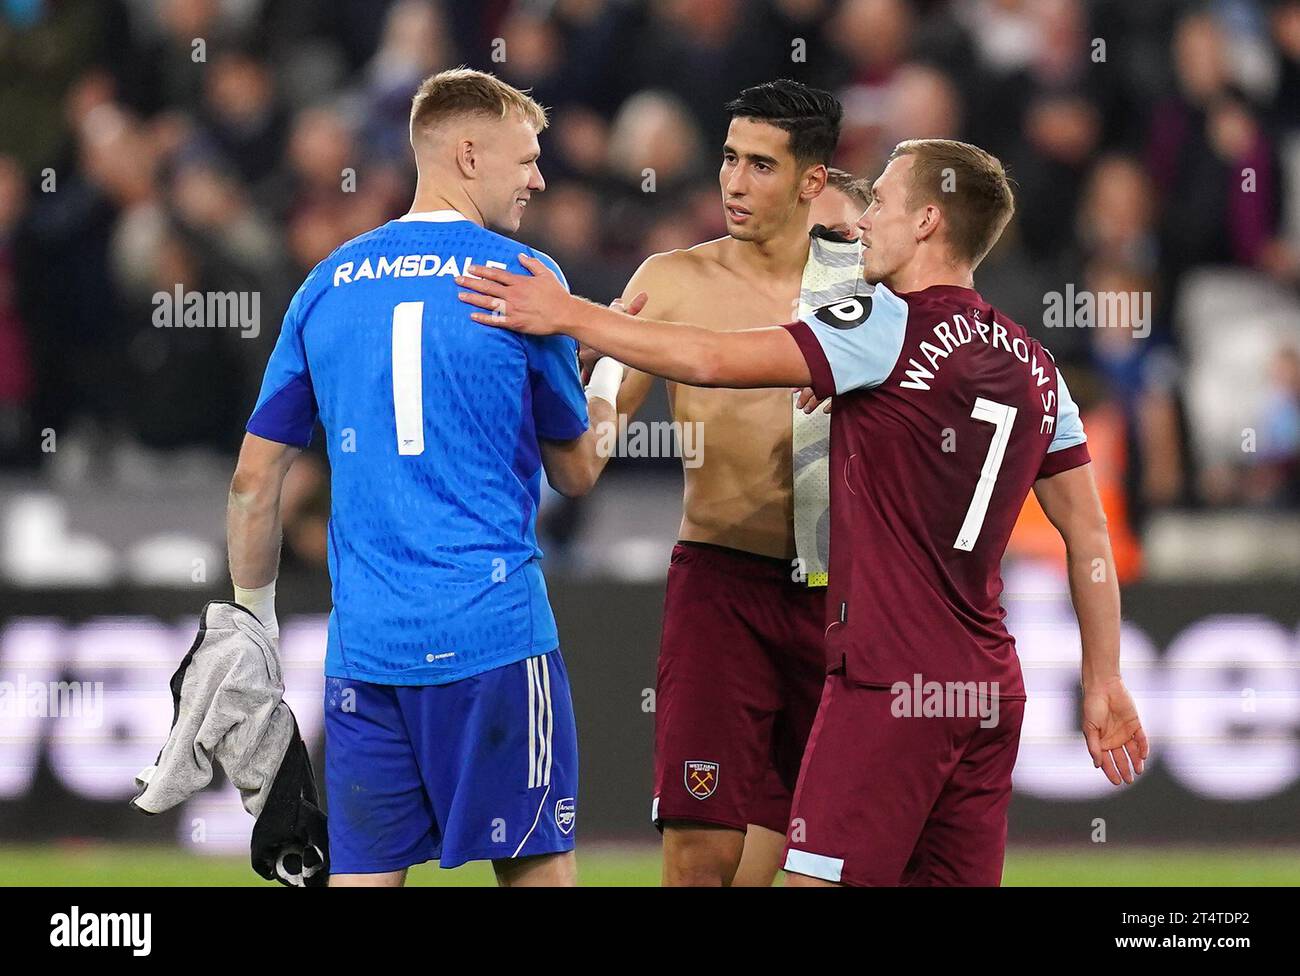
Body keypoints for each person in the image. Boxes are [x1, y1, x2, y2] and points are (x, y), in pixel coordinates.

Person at [455, 137, 1150, 887]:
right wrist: (1103, 677)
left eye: (880, 202)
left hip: (886, 682)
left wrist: (570, 314)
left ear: (925, 222)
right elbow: (1087, 532)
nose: (863, 224)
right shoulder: (1036, 364)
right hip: (988, 690)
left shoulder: (880, 324)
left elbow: (711, 360)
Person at [226, 68, 620, 887]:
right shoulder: (520, 280)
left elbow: (254, 482)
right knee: (535, 873)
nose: (540, 178)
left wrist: (254, 622)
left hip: (367, 652)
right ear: (469, 155)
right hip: (494, 639)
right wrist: (612, 379)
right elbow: (576, 470)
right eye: (526, 160)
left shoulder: (326, 283)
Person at [593, 80, 845, 886]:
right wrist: (576, 386)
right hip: (720, 586)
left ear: (812, 180)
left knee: (810, 856)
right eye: (730, 159)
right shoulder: (671, 281)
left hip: (841, 595)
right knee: (702, 853)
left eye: (762, 165)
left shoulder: (871, 285)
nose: (734, 182)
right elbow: (598, 433)